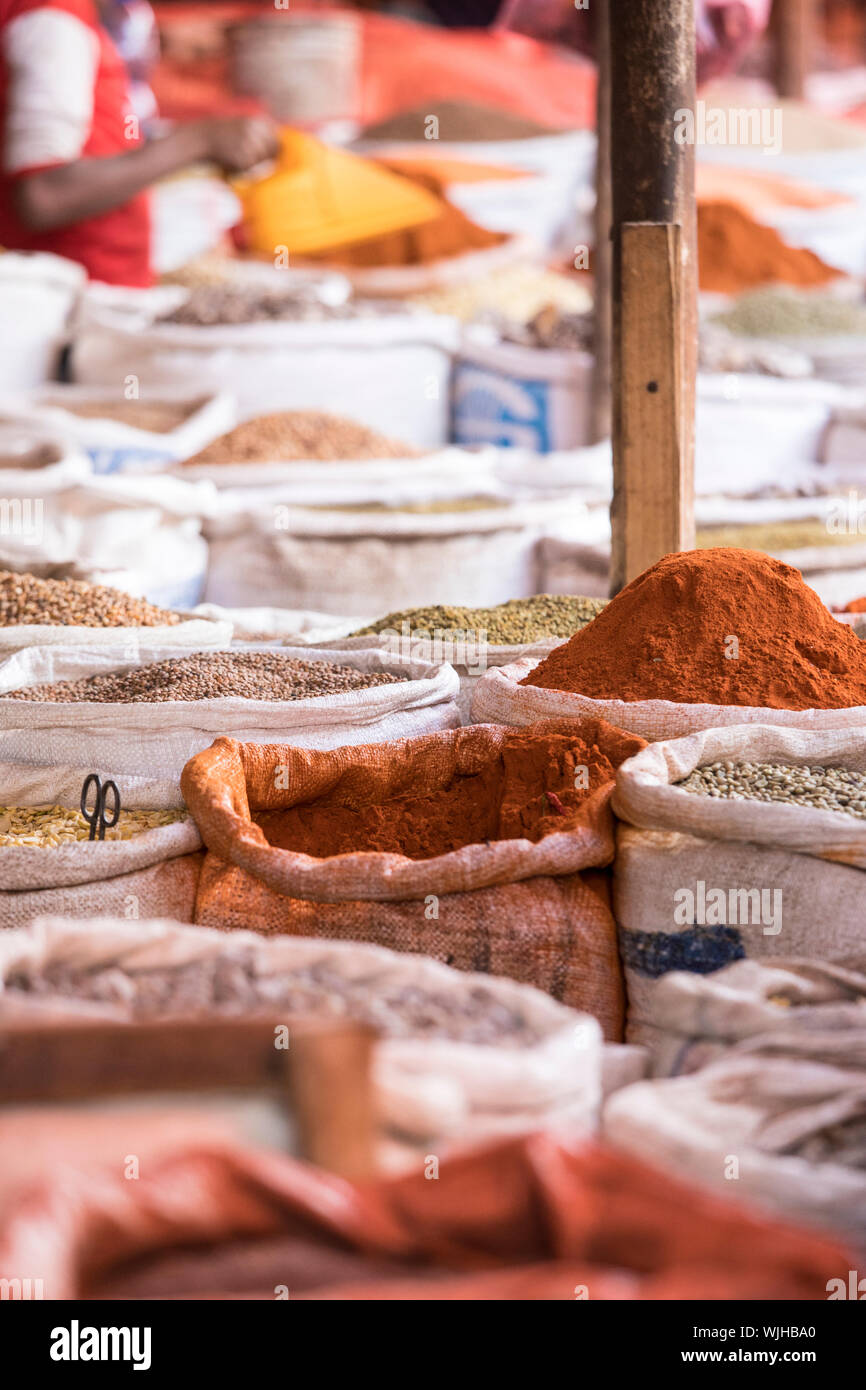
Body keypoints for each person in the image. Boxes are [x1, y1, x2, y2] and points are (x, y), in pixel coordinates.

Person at [0, 0, 279, 285]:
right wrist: (199, 141)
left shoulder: (81, 17)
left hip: (91, 289)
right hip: (70, 296)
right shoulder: (54, 20)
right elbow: (42, 196)